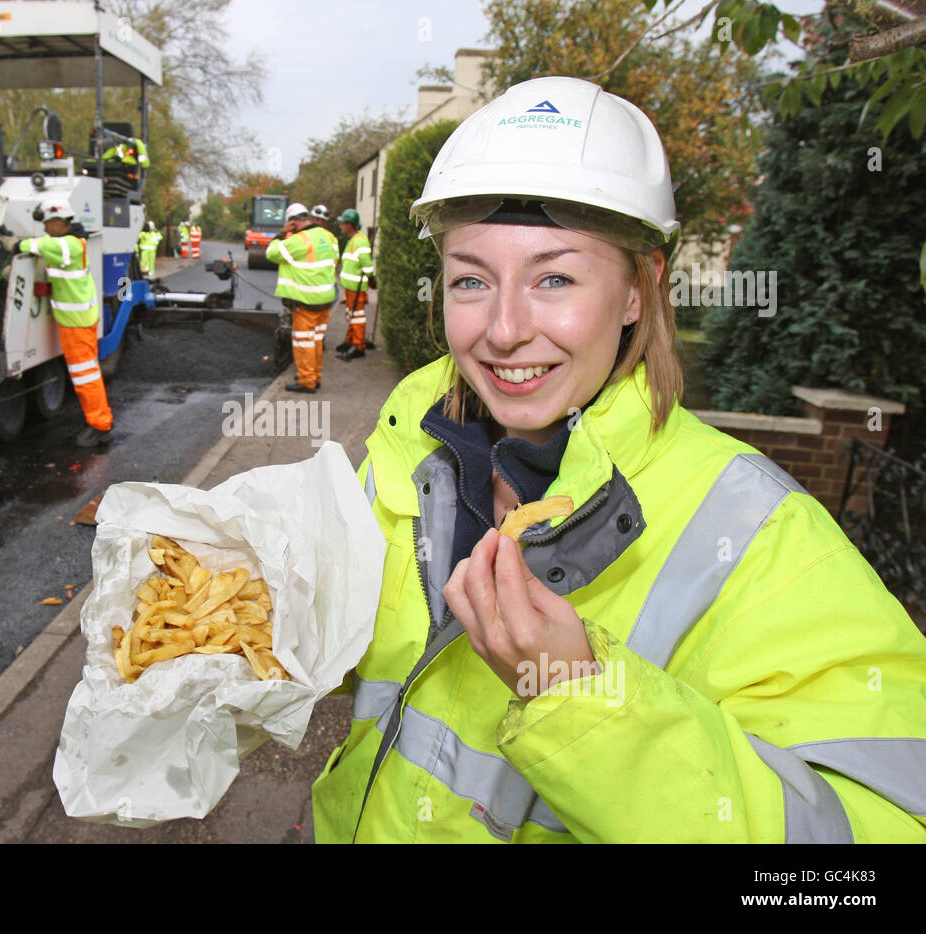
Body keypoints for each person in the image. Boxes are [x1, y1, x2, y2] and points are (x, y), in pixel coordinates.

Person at [310, 76, 926, 843]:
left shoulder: (758, 535)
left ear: (639, 290)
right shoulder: (411, 449)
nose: (503, 329)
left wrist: (584, 701)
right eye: (471, 279)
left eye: (555, 278)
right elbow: (362, 656)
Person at [14, 198, 113, 447]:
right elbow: (62, 279)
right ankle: (99, 421)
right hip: (76, 320)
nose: (46, 229)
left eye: (48, 224)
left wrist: (14, 244)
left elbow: (42, 246)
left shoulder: (69, 245)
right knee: (86, 375)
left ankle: (100, 425)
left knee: (85, 376)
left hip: (77, 323)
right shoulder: (72, 244)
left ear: (59, 223)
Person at [266, 202, 338, 392]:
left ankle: (307, 382)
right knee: (315, 340)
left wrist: (282, 233)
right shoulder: (328, 236)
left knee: (303, 342)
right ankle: (314, 377)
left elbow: (272, 252)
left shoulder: (299, 240)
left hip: (306, 301)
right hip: (325, 299)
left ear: (293, 222)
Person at [335, 207, 374, 361]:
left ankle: (358, 346)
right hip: (351, 287)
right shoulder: (353, 240)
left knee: (357, 316)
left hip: (357, 286)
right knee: (351, 315)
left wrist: (371, 277)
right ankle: (350, 341)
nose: (341, 225)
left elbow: (367, 264)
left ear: (350, 224)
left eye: (343, 223)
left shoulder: (360, 240)